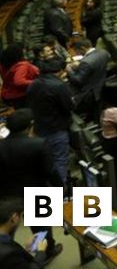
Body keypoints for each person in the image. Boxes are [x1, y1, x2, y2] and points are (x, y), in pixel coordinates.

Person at [0, 110, 62, 262]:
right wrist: (60, 188)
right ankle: (45, 252)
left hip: (8, 195)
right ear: (30, 125)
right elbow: (50, 171)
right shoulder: (39, 144)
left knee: (7, 230)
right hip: (37, 191)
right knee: (41, 227)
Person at [26, 56, 73, 184]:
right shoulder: (59, 86)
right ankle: (60, 193)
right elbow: (69, 106)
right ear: (60, 71)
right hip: (56, 129)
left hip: (39, 129)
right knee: (60, 160)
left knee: (45, 161)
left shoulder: (33, 84)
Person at [0, 198, 52, 268]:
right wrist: (41, 252)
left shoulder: (4, 239)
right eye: (21, 216)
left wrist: (23, 250)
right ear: (14, 218)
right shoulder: (8, 254)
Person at [1, 44, 38, 110]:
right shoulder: (22, 65)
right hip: (19, 96)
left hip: (7, 95)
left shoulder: (3, 64)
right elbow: (19, 81)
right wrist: (36, 82)